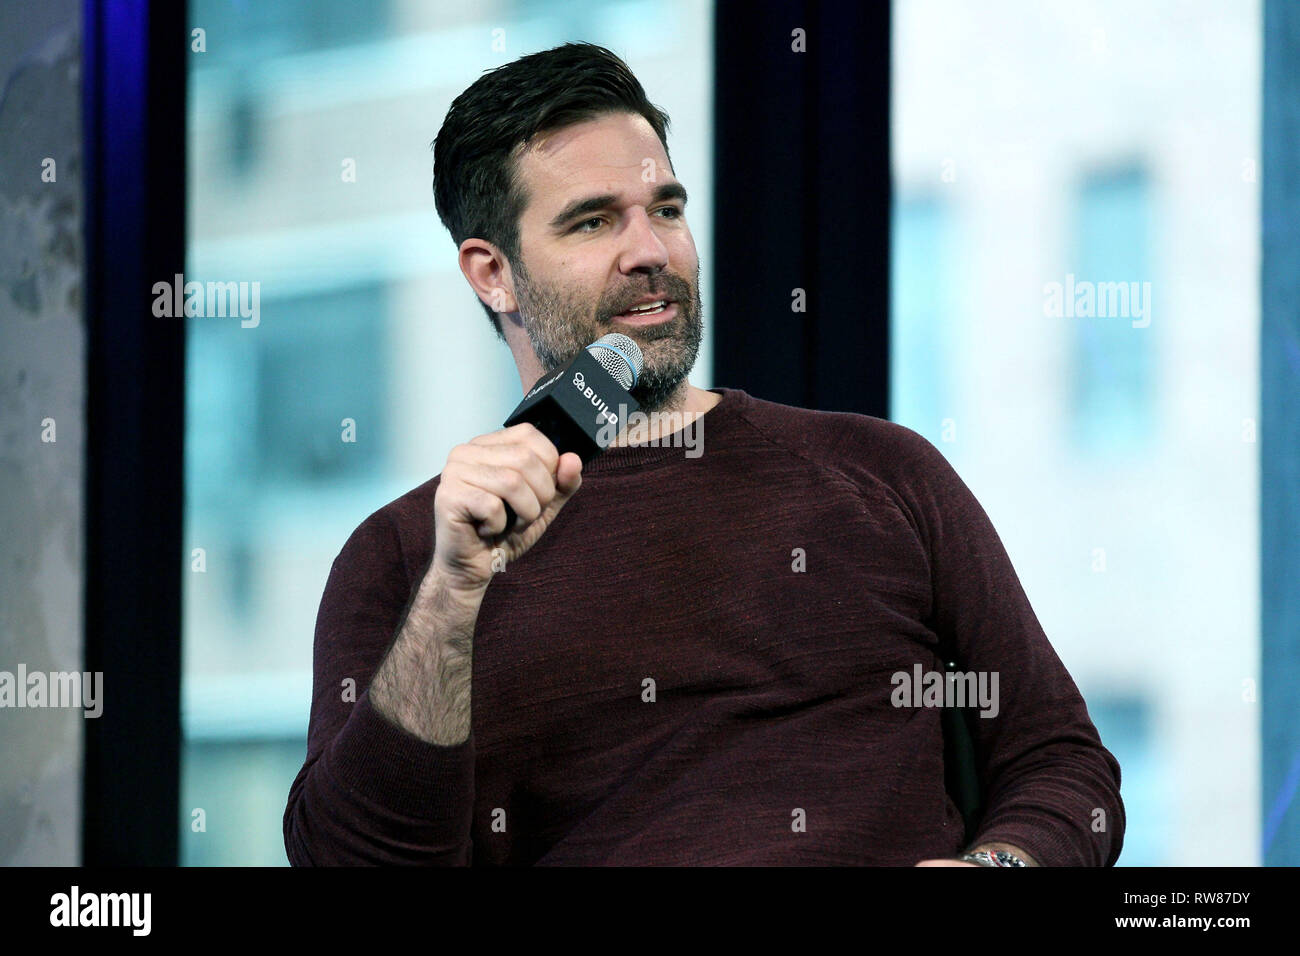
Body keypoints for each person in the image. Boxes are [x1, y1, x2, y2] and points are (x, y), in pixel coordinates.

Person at [282, 42, 1124, 867]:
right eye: (594, 220)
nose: (651, 251)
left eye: (668, 210)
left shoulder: (882, 470)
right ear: (492, 273)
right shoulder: (411, 557)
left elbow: (1067, 769)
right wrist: (454, 592)